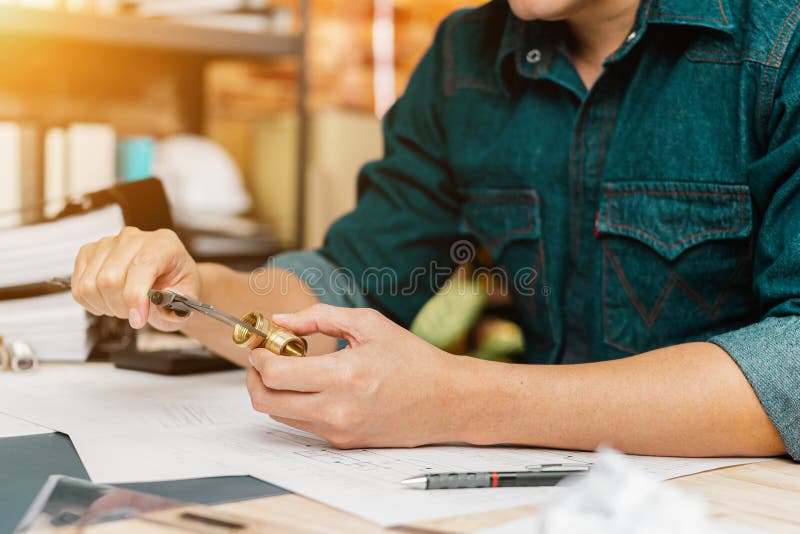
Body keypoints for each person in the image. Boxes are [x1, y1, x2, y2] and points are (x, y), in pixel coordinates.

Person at [71, 0, 799, 459]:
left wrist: (463, 399)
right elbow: (345, 283)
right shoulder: (463, 59)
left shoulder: (782, 39)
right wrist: (197, 289)